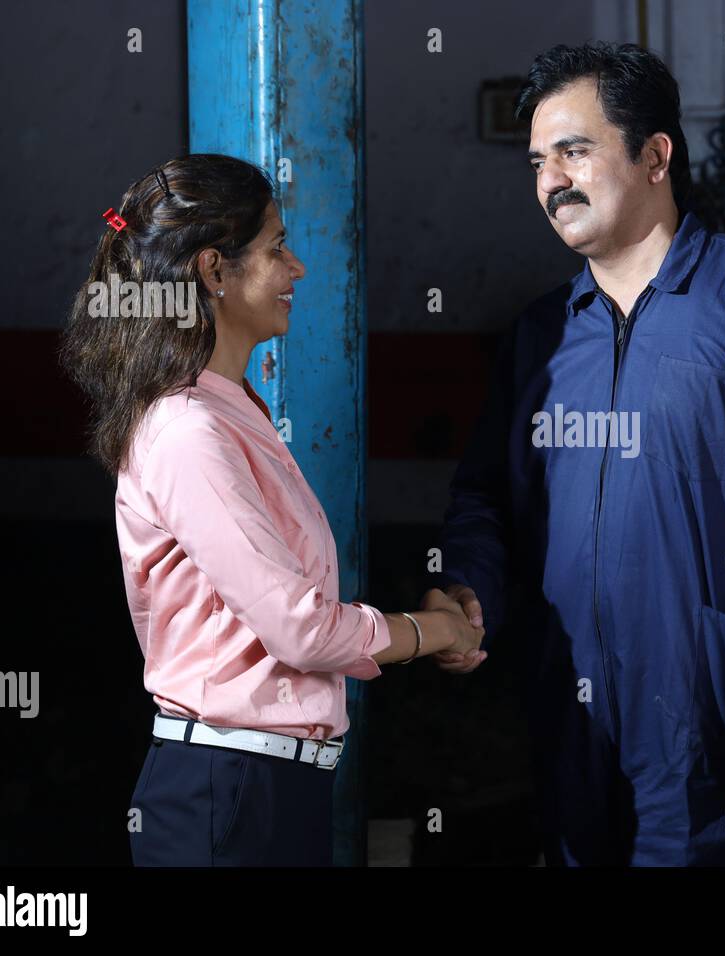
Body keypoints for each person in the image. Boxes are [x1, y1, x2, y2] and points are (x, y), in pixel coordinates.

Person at [433, 43, 725, 865]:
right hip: (569, 714)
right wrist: (469, 589)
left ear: (655, 155)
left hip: (716, 725)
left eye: (574, 150)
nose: (551, 181)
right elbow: (485, 495)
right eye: (537, 162)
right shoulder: (543, 332)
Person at [61, 154, 482, 866]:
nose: (298, 269)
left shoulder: (229, 411)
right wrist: (433, 630)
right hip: (229, 793)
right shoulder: (189, 430)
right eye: (276, 247)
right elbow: (302, 632)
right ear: (213, 272)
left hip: (265, 786)